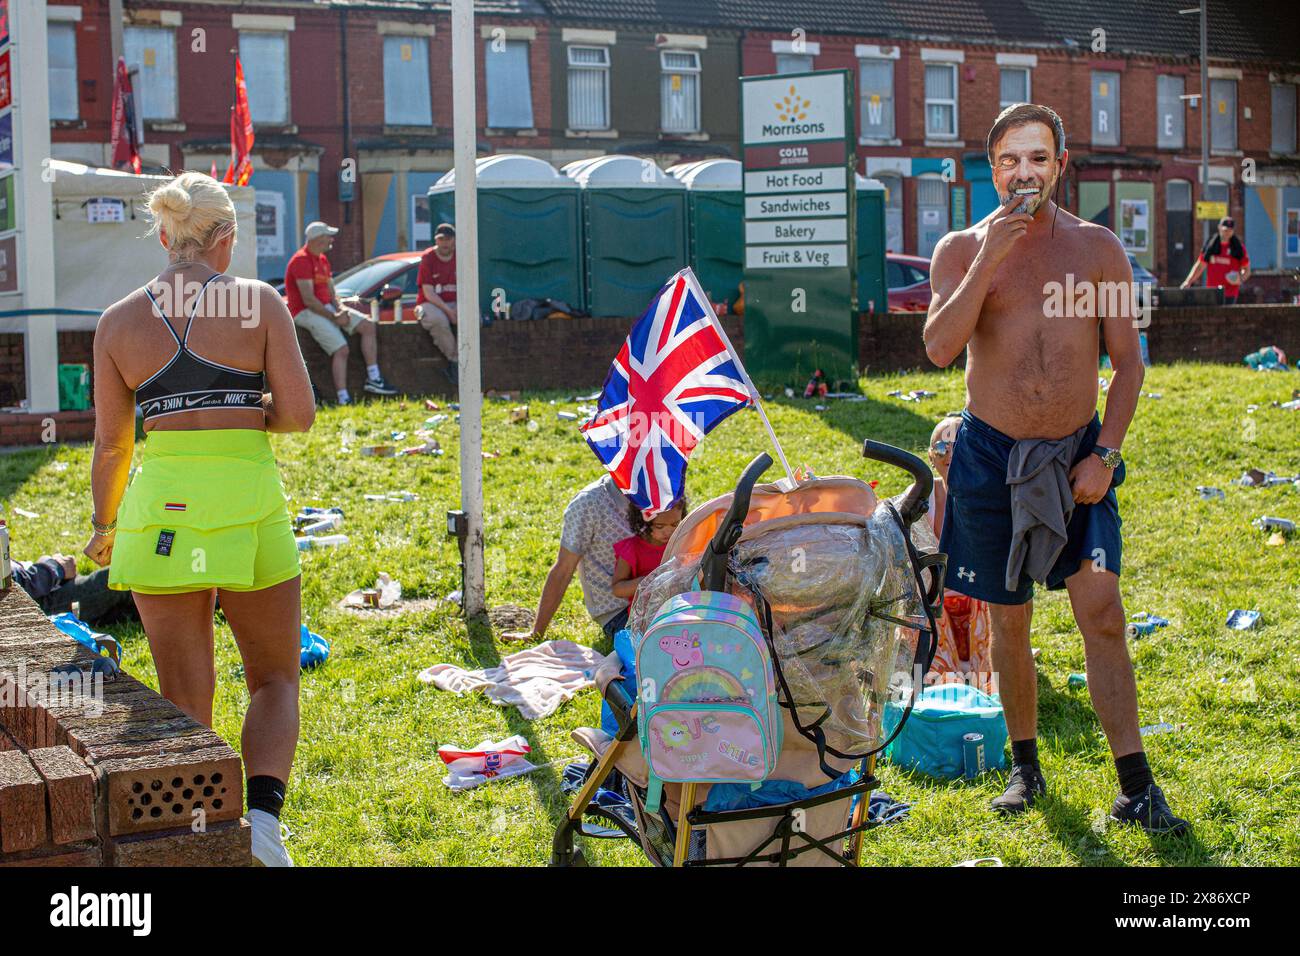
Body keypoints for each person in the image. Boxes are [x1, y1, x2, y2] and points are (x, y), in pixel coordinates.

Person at [924, 104, 1188, 835]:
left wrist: (1105, 455)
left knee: (1101, 610)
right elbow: (940, 348)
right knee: (1009, 622)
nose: (1024, 174)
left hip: (1076, 454)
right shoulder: (959, 249)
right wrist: (987, 258)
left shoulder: (1097, 248)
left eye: (1037, 159)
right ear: (992, 169)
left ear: (1060, 164)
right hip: (989, 456)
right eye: (1010, 161)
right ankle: (1025, 768)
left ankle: (1136, 785)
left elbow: (1129, 364)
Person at [85, 171, 318, 866]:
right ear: (227, 239)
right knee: (274, 678)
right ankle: (265, 830)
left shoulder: (117, 321)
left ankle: (202, 836)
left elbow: (111, 445)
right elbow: (301, 415)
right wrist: (247, 413)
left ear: (164, 236)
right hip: (246, 504)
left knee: (184, 692)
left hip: (160, 515)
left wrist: (103, 526)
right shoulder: (258, 302)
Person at [508, 474, 634, 644]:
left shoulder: (666, 494)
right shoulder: (591, 502)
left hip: (663, 601)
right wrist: (536, 632)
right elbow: (563, 569)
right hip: (619, 612)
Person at [286, 221, 398, 404]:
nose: (331, 239)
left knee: (367, 325)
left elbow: (332, 292)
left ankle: (374, 378)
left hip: (326, 309)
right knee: (341, 349)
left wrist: (340, 309)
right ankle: (343, 398)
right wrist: (334, 317)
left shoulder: (322, 259)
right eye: (328, 236)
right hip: (304, 312)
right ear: (317, 239)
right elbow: (308, 300)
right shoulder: (301, 260)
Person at [925, 418, 996, 695]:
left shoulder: (987, 496)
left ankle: (986, 674)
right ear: (931, 457)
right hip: (940, 606)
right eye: (942, 448)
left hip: (977, 602)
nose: (951, 454)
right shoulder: (921, 496)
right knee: (925, 596)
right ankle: (943, 675)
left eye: (959, 446)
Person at [11, 553, 138, 626]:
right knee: (119, 577)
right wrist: (55, 568)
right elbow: (15, 587)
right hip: (36, 605)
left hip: (37, 592)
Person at [611, 497, 687, 606]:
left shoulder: (682, 543)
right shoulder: (632, 548)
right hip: (645, 614)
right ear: (643, 522)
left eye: (675, 524)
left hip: (677, 606)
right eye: (659, 526)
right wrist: (648, 581)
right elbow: (617, 589)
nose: (668, 531)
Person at [413, 223, 459, 386]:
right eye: (441, 239)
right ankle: (456, 364)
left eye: (448, 239)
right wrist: (449, 312)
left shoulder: (461, 256)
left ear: (454, 240)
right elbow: (428, 292)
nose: (444, 243)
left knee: (473, 318)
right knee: (438, 320)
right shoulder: (428, 258)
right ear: (436, 240)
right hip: (429, 303)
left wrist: (456, 311)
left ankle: (473, 362)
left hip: (455, 301)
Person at [1180, 217, 1250, 304]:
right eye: (1225, 230)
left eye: (1230, 230)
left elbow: (1246, 269)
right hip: (1212, 291)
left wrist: (1240, 278)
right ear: (1219, 227)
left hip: (1230, 292)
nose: (1227, 233)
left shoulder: (1238, 248)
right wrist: (1188, 281)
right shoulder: (1211, 246)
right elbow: (1200, 266)